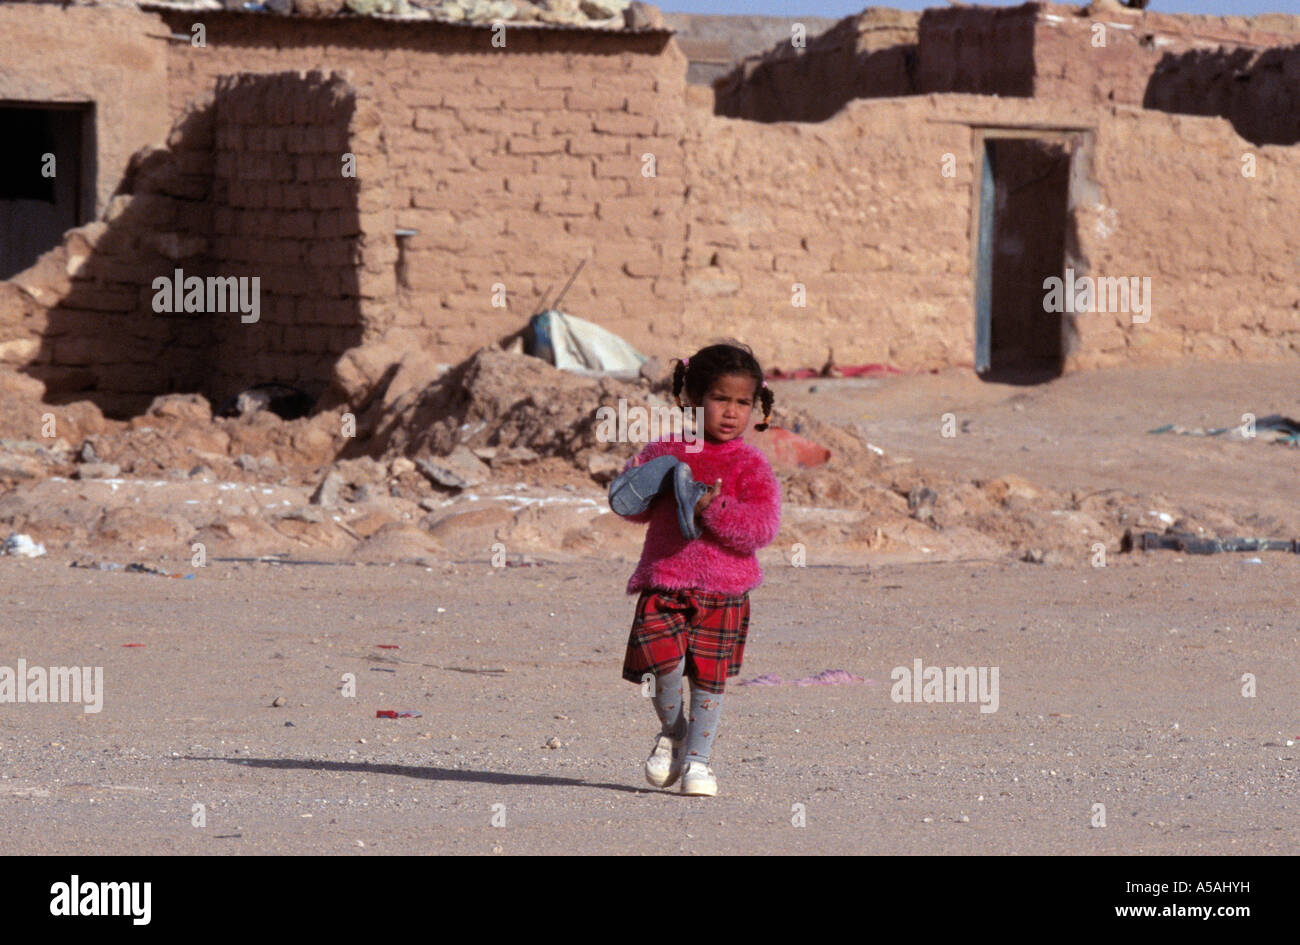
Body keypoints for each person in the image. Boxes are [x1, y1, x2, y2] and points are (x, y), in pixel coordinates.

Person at [612, 341, 782, 796]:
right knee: (662, 667)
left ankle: (699, 764)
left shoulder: (750, 463)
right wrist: (636, 479)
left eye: (742, 402)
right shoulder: (666, 452)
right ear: (692, 398)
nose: (731, 412)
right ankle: (674, 732)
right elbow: (632, 509)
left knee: (710, 677)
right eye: (720, 398)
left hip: (724, 590)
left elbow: (761, 528)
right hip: (664, 580)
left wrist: (715, 508)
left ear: (756, 405)